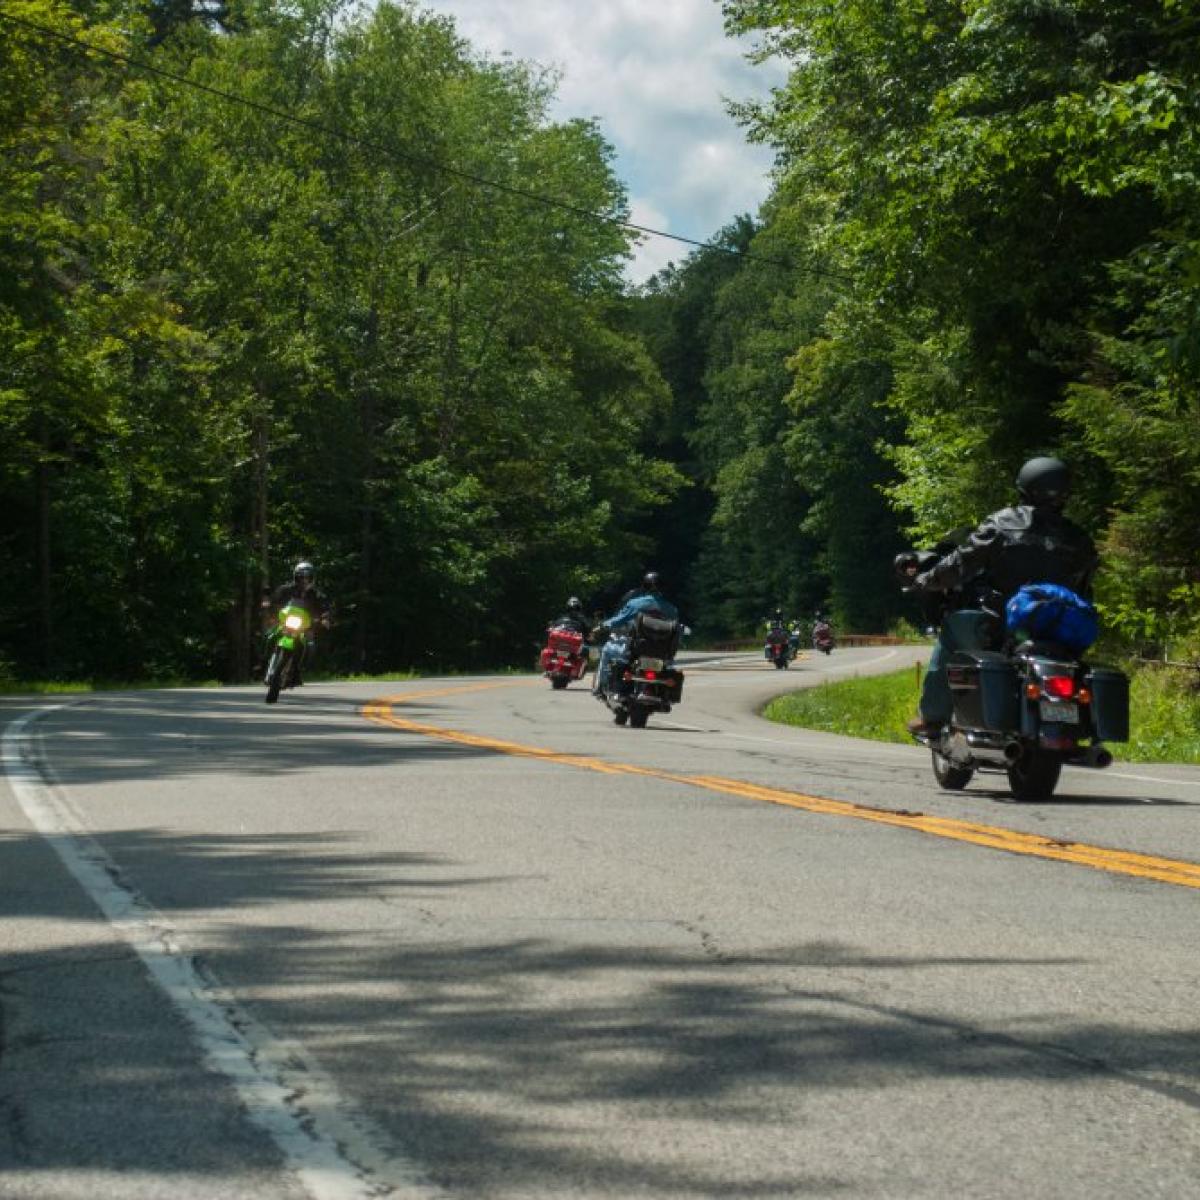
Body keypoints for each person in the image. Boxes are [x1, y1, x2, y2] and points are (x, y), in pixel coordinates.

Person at [903, 456, 1098, 735]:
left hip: (1003, 624)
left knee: (951, 633)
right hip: (1056, 631)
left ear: (1024, 486)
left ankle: (933, 716)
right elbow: (1084, 587)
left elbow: (960, 563)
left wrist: (925, 580)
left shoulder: (1004, 523)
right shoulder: (1079, 539)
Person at [592, 574, 680, 697]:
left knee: (611, 653)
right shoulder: (672, 609)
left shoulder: (635, 603)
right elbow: (676, 630)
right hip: (663, 652)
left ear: (644, 586)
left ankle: (603, 689)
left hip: (638, 648)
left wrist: (601, 626)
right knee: (669, 667)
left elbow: (619, 619)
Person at [261, 560, 329, 685]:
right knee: (269, 636)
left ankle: (297, 671)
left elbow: (324, 607)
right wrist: (268, 602)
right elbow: (275, 598)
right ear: (295, 576)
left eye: (308, 578)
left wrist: (325, 618)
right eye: (301, 577)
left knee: (310, 645)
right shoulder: (286, 589)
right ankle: (265, 662)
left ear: (312, 578)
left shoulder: (316, 594)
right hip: (285, 620)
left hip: (304, 625)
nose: (304, 580)